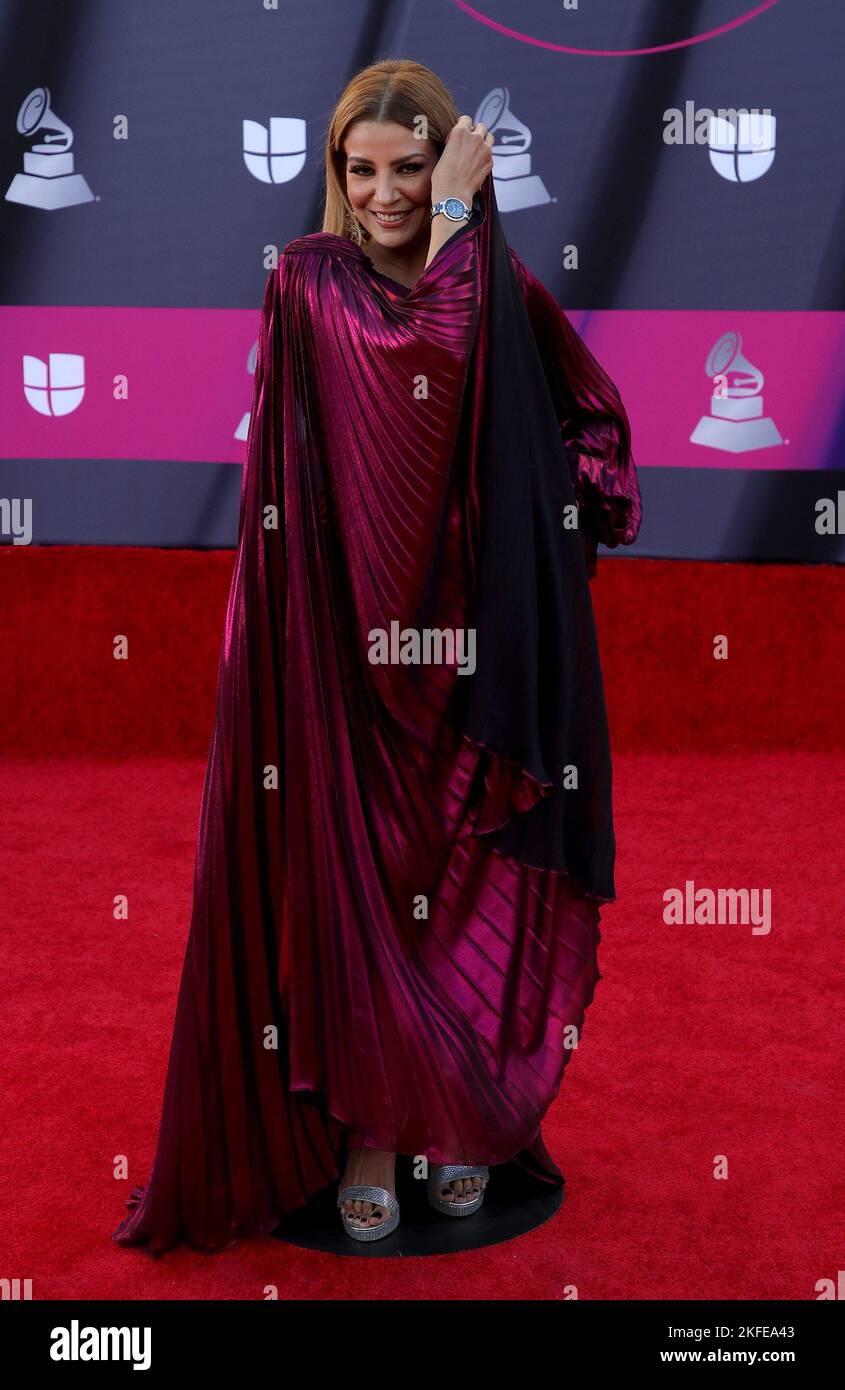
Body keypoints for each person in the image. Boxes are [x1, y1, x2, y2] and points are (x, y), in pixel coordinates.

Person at [112, 58, 642, 1257]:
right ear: (336, 178)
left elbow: (584, 415)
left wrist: (535, 524)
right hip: (344, 651)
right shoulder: (309, 282)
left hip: (470, 649)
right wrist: (461, 217)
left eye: (413, 169)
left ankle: (458, 1117)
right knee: (355, 888)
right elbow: (418, 358)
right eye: (364, 171)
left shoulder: (492, 282)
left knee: (466, 880)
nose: (386, 194)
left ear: (444, 164)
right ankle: (364, 1136)